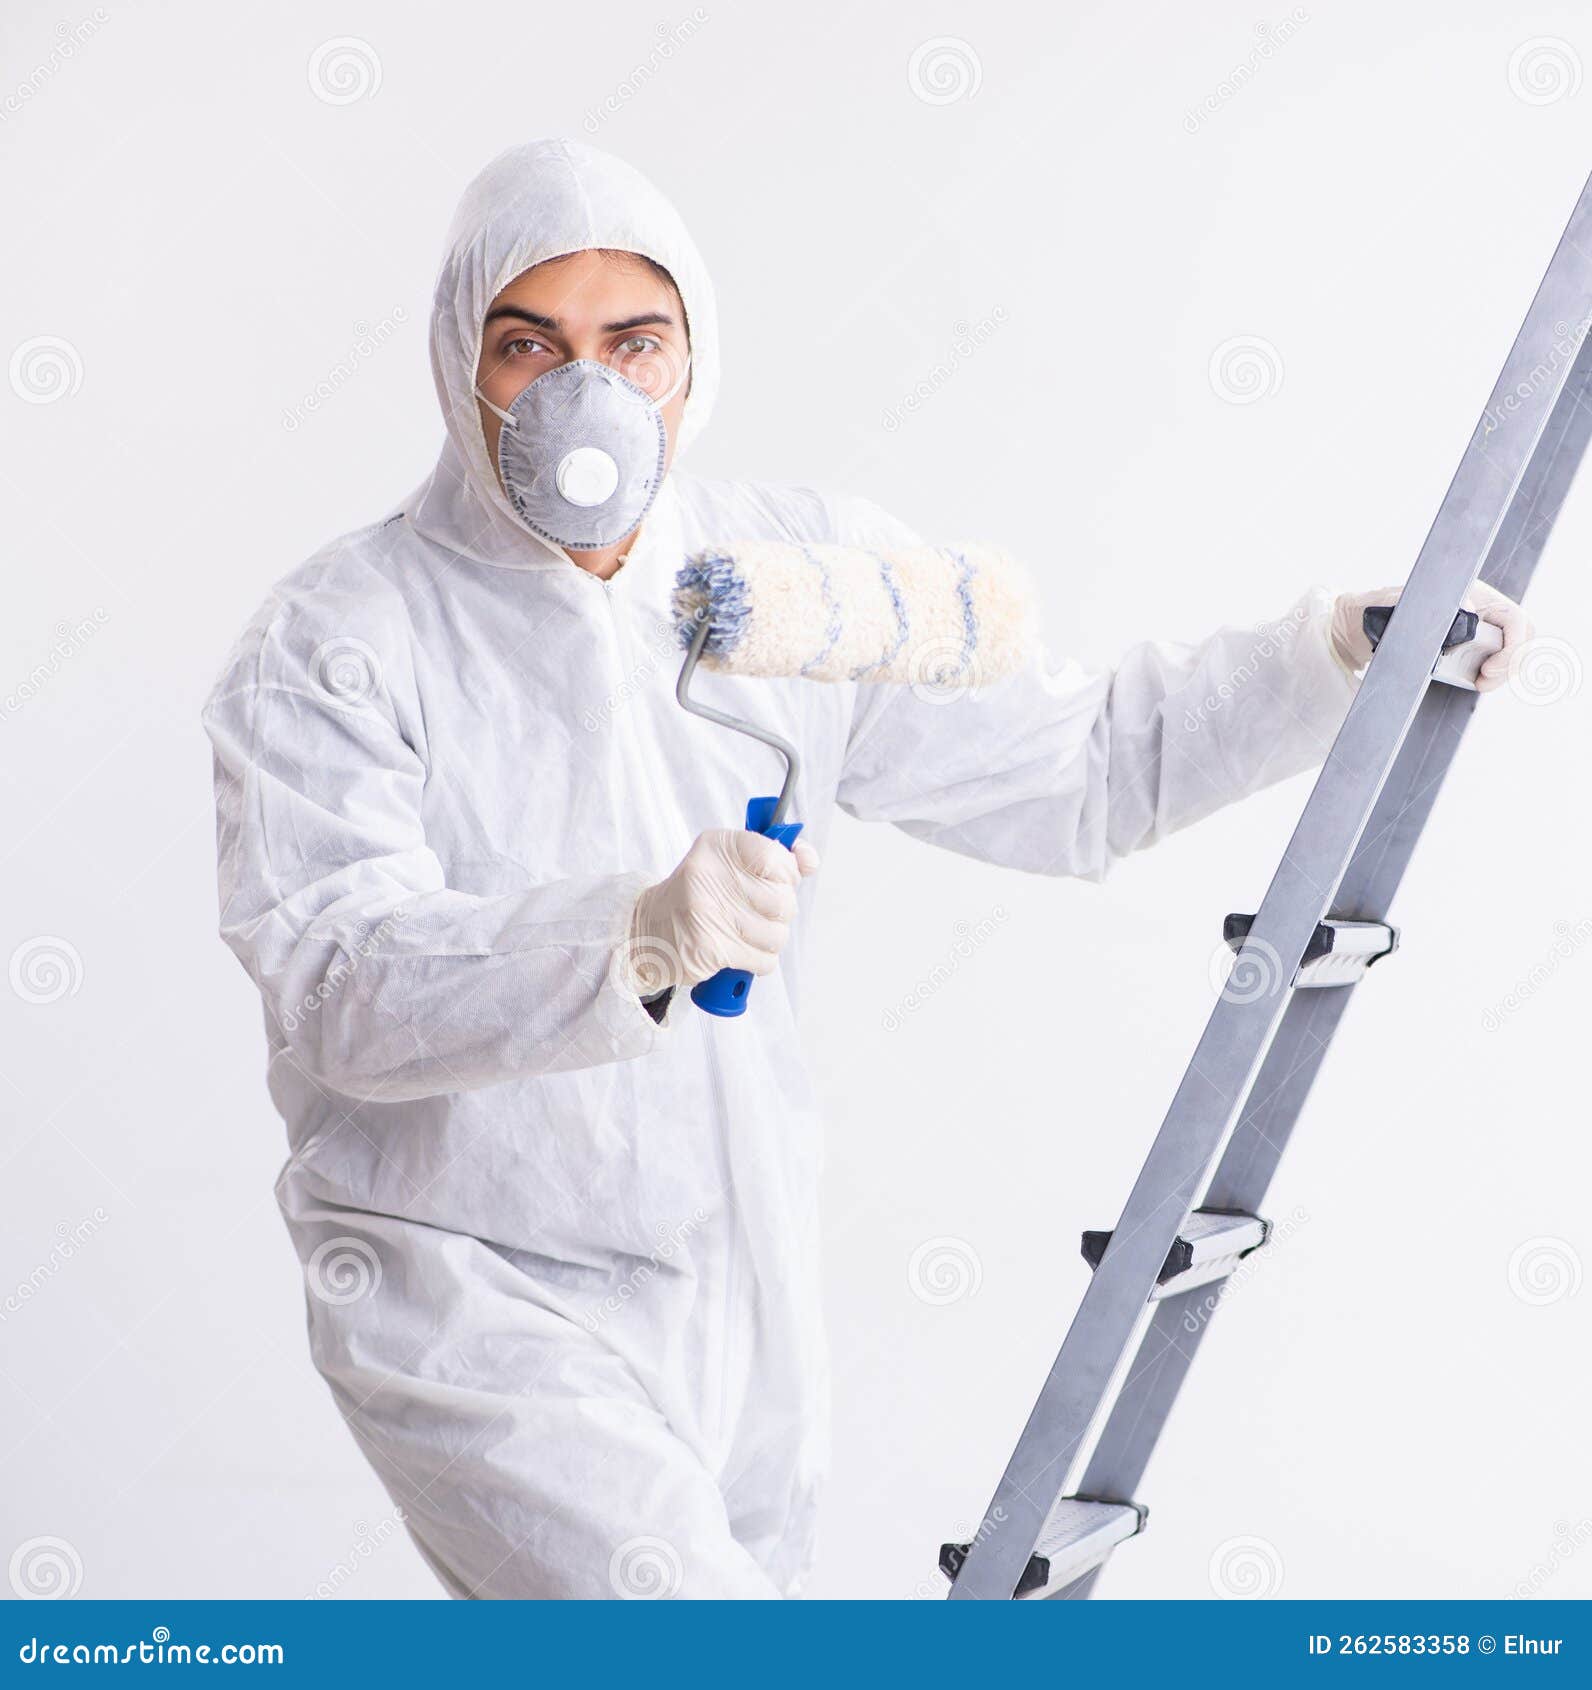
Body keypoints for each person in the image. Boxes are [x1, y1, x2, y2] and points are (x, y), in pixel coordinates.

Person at [202, 139, 1533, 1600]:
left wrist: (1328, 655)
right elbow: (334, 978)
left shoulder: (793, 577)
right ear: (463, 358)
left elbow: (1082, 772)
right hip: (466, 1290)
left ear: (691, 359)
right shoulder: (342, 635)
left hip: (738, 1281)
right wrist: (630, 937)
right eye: (534, 347)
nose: (588, 397)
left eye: (632, 345)